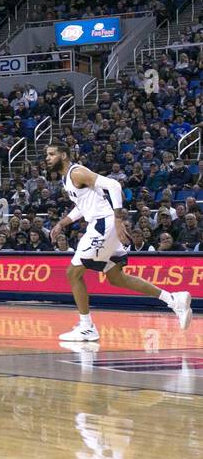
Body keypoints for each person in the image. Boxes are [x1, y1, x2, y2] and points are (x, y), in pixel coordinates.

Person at [45, 143, 192, 342]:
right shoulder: (66, 178)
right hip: (102, 224)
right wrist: (62, 223)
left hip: (103, 225)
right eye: (47, 155)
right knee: (116, 278)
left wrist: (118, 218)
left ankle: (87, 327)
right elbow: (83, 206)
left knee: (73, 273)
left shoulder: (77, 172)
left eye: (52, 154)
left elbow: (114, 185)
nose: (48, 158)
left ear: (63, 155)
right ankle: (174, 299)